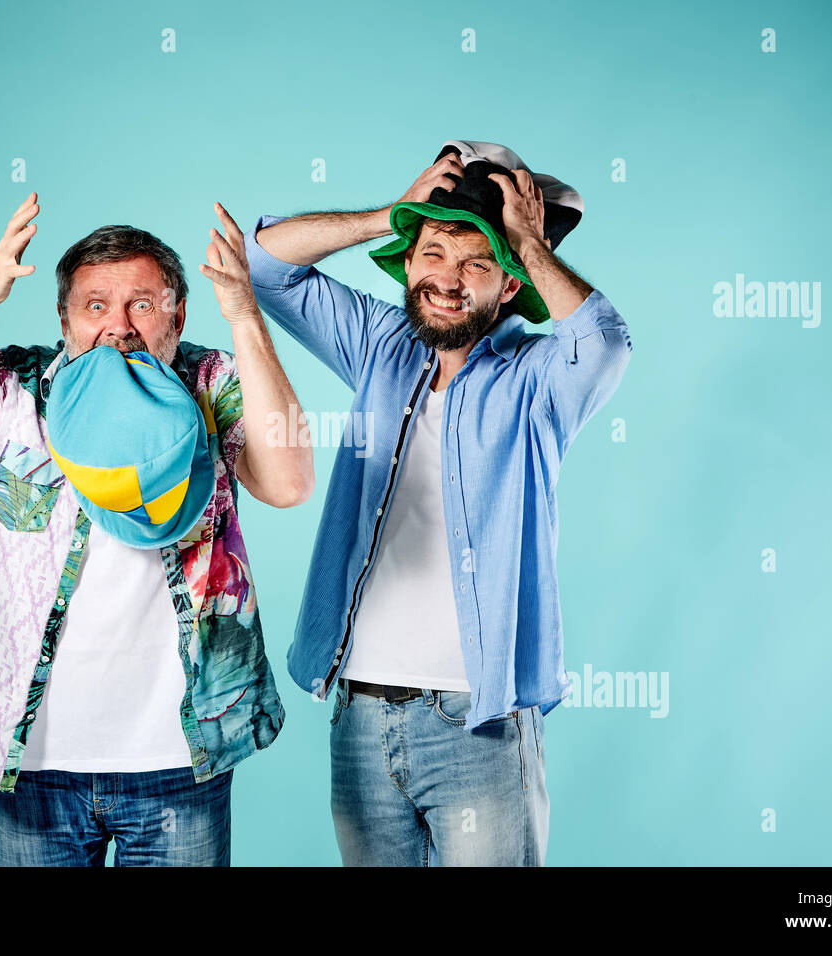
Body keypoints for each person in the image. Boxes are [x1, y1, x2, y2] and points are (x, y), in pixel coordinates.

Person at [0, 193, 313, 866]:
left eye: (143, 304)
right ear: (65, 318)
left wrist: (245, 314)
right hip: (33, 756)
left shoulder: (211, 383)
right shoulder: (15, 390)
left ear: (178, 316)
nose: (118, 326)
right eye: (95, 306)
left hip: (182, 757)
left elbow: (290, 483)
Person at [242, 140, 633, 866]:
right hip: (360, 716)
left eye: (476, 261)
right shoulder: (382, 346)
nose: (446, 279)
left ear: (510, 282)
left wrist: (525, 241)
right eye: (431, 252)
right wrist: (383, 215)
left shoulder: (538, 378)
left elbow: (604, 343)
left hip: (476, 726)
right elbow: (263, 263)